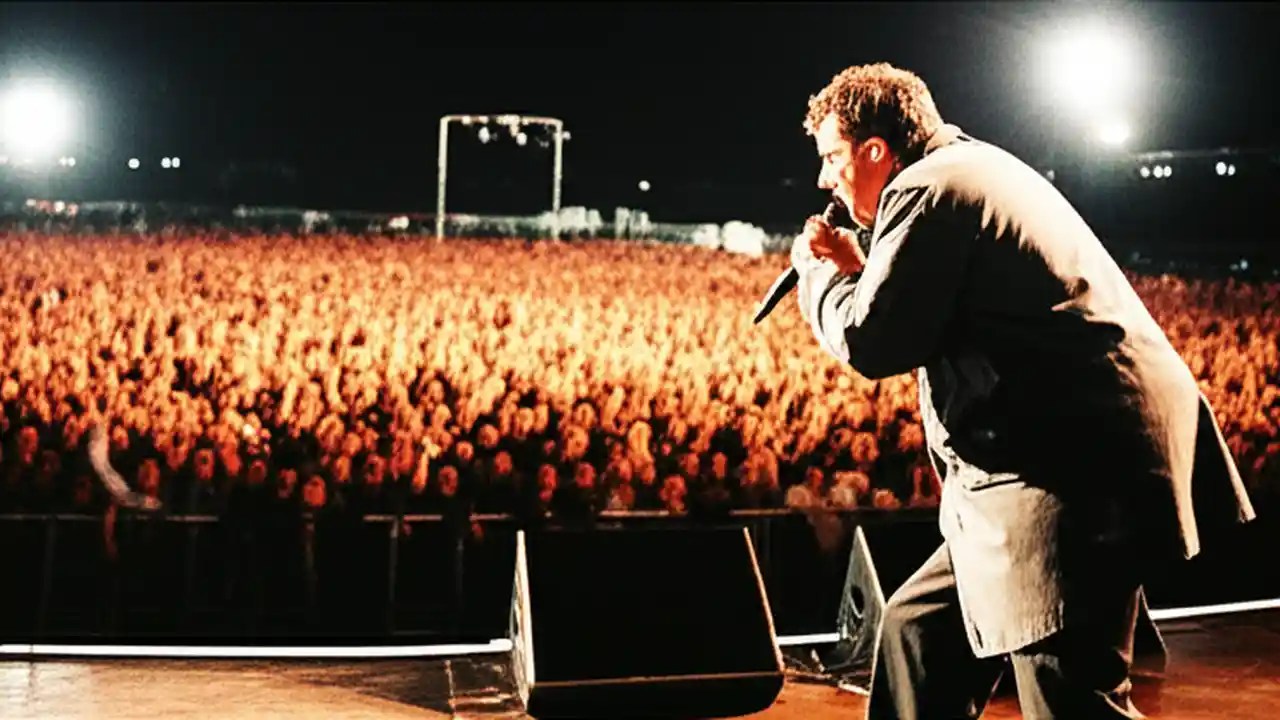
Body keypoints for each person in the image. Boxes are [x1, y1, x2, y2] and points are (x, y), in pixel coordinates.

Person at [786, 63, 1256, 719]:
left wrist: (819, 279)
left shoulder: (927, 189)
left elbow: (875, 341)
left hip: (1070, 478)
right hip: (1044, 471)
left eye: (832, 157)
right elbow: (940, 314)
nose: (823, 178)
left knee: (1065, 691)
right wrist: (860, 271)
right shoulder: (966, 169)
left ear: (874, 150)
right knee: (916, 634)